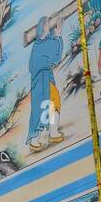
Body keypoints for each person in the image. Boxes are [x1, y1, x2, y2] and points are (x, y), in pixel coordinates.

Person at [26, 15, 65, 151]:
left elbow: (32, 66)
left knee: (40, 108)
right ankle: (52, 133)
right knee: (54, 103)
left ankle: (36, 139)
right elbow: (56, 57)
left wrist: (56, 37)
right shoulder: (44, 44)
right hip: (44, 81)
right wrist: (59, 35)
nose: (50, 26)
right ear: (44, 27)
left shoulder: (37, 45)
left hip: (39, 82)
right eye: (48, 25)